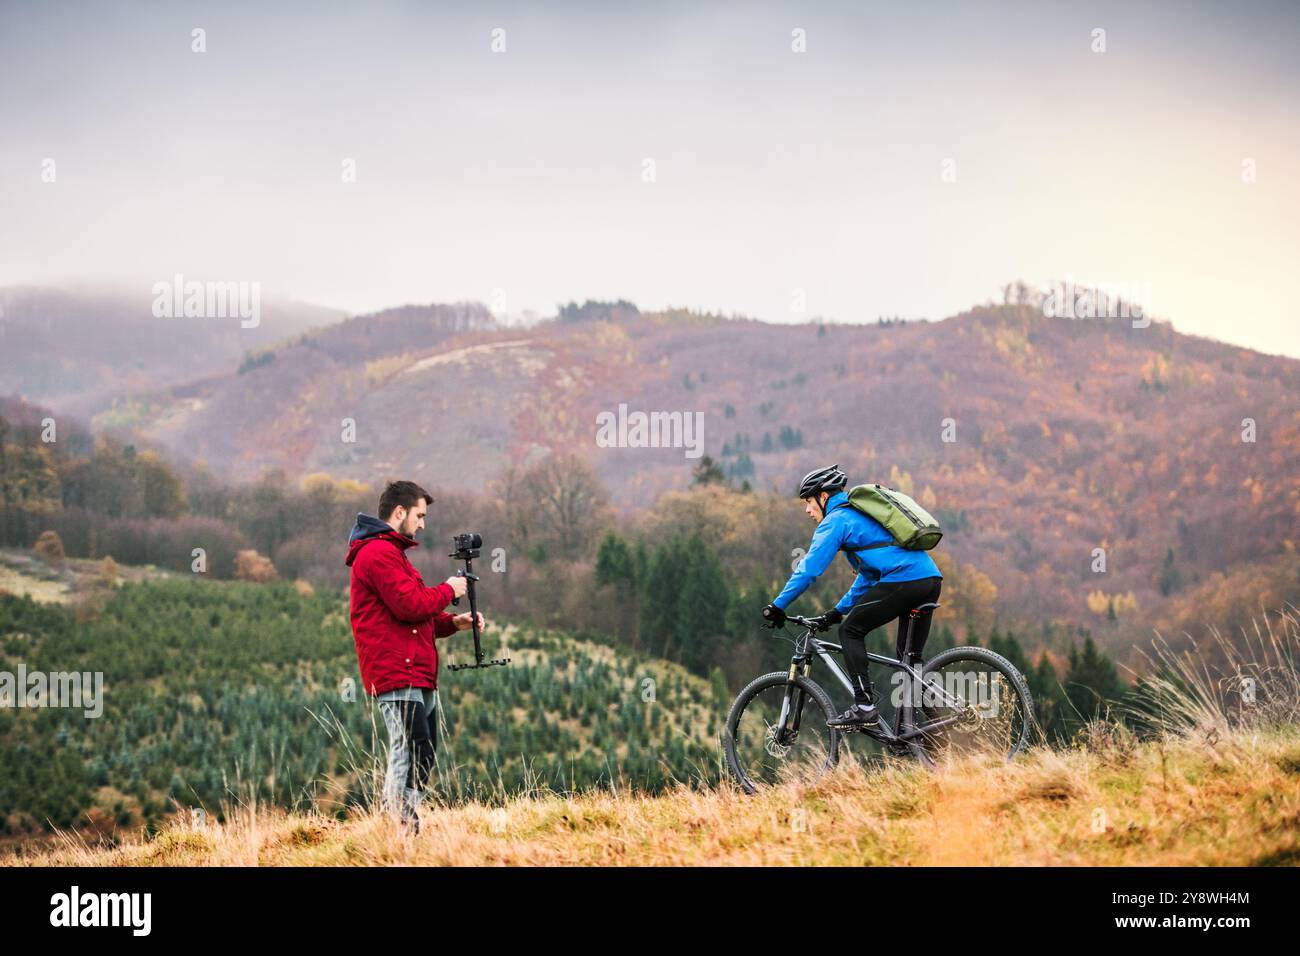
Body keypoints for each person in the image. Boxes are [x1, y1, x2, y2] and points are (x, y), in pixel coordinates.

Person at [345, 480, 487, 834]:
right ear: (399, 512)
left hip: (418, 672)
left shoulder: (393, 555)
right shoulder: (376, 554)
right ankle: (399, 829)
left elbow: (417, 614)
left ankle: (402, 824)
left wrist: (453, 622)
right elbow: (410, 605)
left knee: (422, 753)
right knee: (407, 750)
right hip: (397, 673)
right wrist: (449, 590)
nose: (422, 523)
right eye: (419, 515)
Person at [762, 464, 942, 729]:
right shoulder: (859, 516)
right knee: (909, 663)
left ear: (823, 497)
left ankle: (865, 706)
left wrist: (778, 605)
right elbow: (867, 577)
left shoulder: (836, 521)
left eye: (809, 502)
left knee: (850, 631)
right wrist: (836, 611)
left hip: (905, 578)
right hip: (928, 579)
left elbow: (809, 569)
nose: (807, 510)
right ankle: (927, 732)